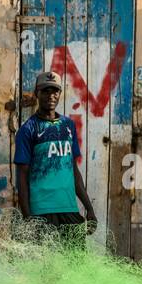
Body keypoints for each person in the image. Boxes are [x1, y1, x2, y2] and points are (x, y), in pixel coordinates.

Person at [13, 70, 97, 241]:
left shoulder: (68, 125)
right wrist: (28, 217)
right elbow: (22, 176)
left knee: (76, 264)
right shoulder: (28, 129)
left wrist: (89, 208)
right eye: (45, 91)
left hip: (69, 208)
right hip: (42, 210)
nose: (51, 96)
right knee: (46, 266)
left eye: (55, 91)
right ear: (37, 93)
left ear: (59, 94)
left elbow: (73, 170)